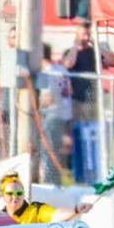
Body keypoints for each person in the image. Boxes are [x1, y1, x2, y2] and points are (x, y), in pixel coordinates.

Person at [62, 21, 114, 122]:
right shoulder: (69, 52)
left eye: (88, 34)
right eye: (84, 35)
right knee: (78, 129)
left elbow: (113, 62)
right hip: (77, 99)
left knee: (94, 127)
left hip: (94, 99)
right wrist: (75, 46)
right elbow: (68, 64)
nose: (86, 38)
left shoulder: (94, 52)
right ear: (77, 35)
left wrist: (96, 45)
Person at [37, 44, 72, 185]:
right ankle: (57, 180)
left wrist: (35, 109)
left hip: (52, 116)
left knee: (48, 150)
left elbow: (48, 98)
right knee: (57, 150)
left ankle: (49, 181)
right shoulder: (61, 69)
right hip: (65, 113)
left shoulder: (45, 72)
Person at [0, 172, 91, 224]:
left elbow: (55, 215)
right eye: (10, 194)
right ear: (3, 196)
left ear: (23, 195)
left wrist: (76, 209)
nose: (15, 197)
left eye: (19, 193)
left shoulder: (36, 210)